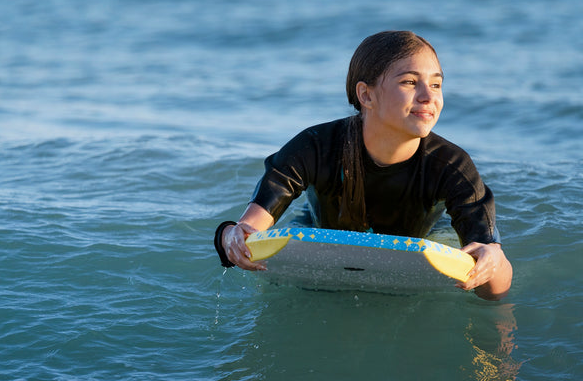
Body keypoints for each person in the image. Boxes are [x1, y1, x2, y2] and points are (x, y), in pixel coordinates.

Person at [213, 31, 512, 299]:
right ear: (366, 94)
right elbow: (248, 229)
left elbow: (496, 291)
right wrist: (231, 238)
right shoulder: (316, 147)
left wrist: (491, 262)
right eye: (409, 82)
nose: (428, 97)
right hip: (320, 226)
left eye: (436, 84)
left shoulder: (451, 165)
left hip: (425, 235)